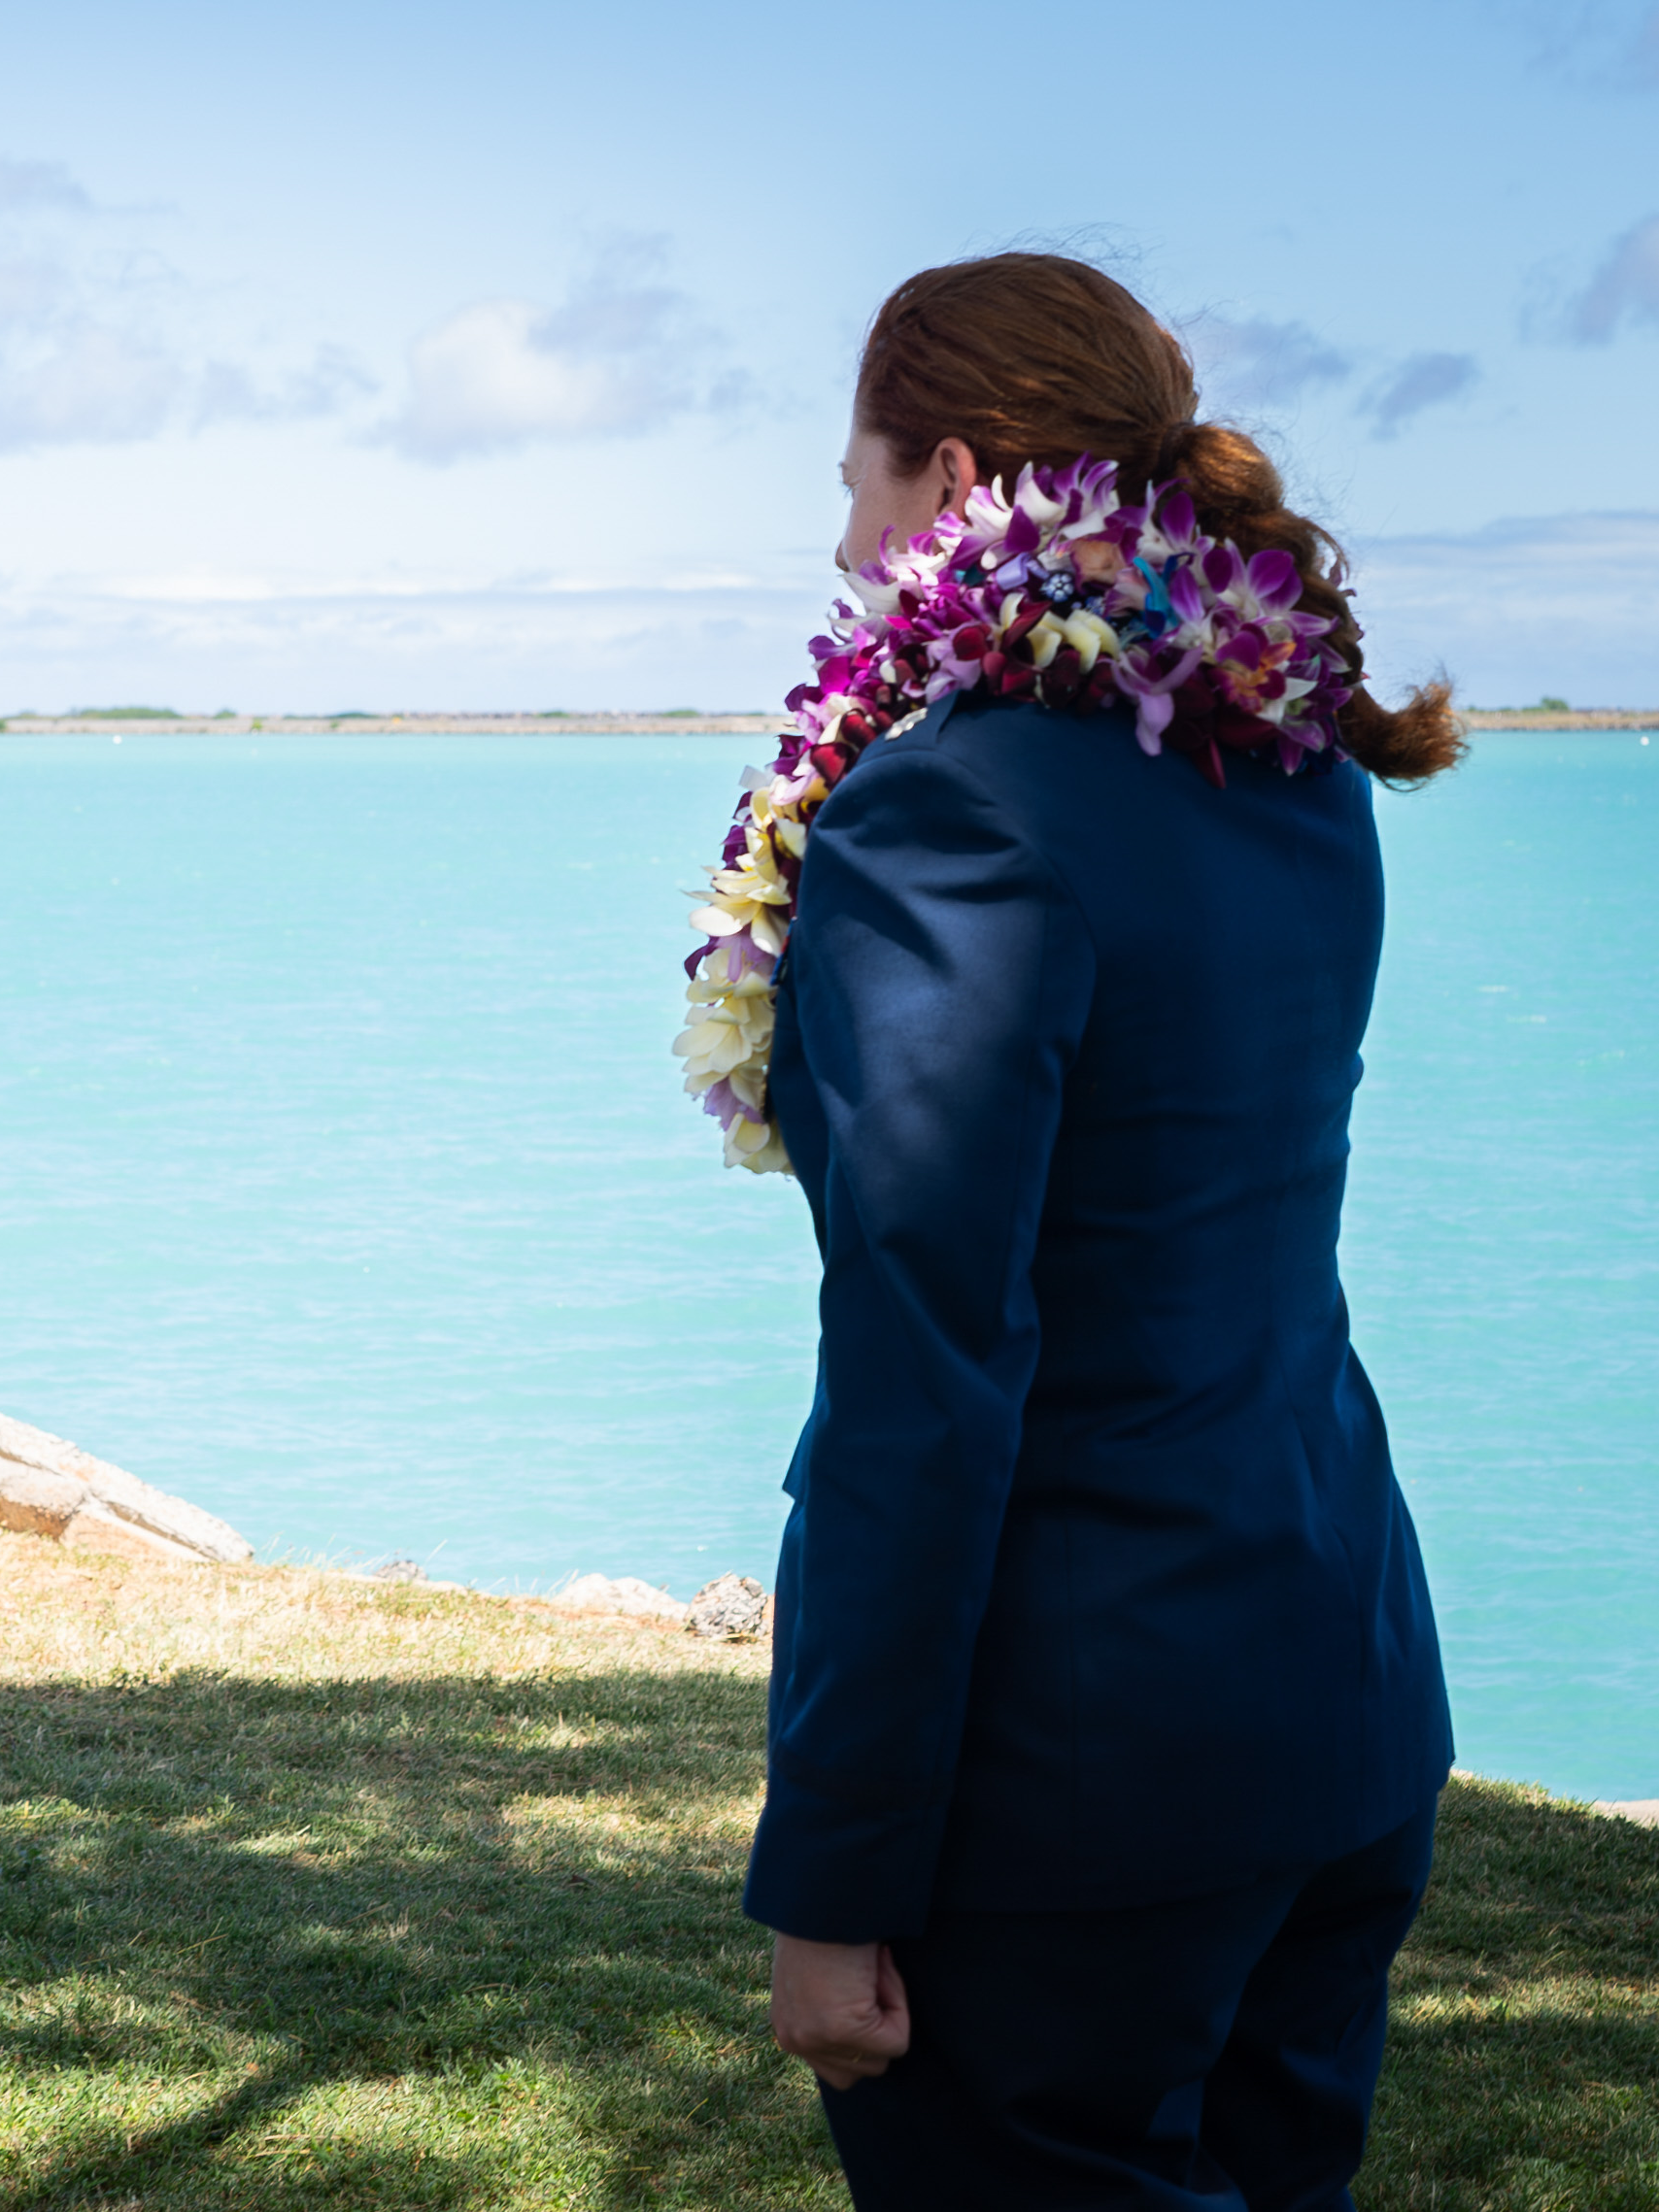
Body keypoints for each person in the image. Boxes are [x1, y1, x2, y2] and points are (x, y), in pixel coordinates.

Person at [733, 253, 1464, 2206]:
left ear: (954, 477)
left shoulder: (947, 812)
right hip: (1333, 1690)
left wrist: (832, 1872)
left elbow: (925, 1376)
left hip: (1078, 1783)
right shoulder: (1292, 773)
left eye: (854, 483)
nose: (841, 543)